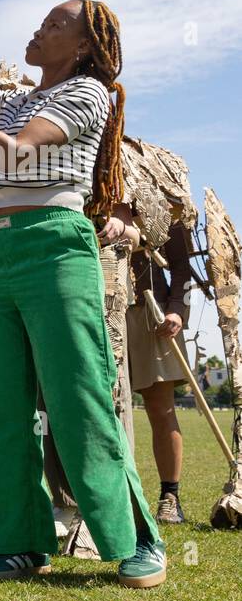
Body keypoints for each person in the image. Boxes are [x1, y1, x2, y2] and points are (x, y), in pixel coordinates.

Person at [0, 0, 166, 587]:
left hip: (55, 245)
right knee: (0, 404)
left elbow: (9, 153)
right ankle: (20, 544)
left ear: (86, 46)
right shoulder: (13, 99)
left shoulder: (88, 93)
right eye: (42, 21)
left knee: (78, 395)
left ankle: (136, 540)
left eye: (56, 24)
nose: (40, 29)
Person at [127, 221, 195, 523]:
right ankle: (104, 500)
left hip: (151, 312)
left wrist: (176, 309)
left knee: (160, 408)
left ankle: (170, 496)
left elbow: (181, 265)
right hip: (96, 308)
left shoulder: (164, 194)